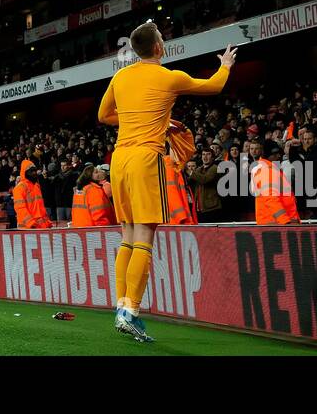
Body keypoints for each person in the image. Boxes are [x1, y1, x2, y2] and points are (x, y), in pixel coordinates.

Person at [98, 19, 236, 342]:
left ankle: (121, 306)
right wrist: (226, 65)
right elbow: (213, 86)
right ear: (159, 47)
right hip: (147, 158)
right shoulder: (168, 77)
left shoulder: (120, 77)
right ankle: (131, 311)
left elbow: (103, 116)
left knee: (127, 236)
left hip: (119, 160)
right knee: (145, 235)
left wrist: (139, 117)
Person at [252, 142, 299, 225]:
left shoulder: (270, 169)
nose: (278, 156)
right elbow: (270, 198)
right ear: (267, 155)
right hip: (276, 224)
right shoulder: (267, 171)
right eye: (274, 154)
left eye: (278, 153)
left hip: (277, 223)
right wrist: (285, 221)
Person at [12, 160, 53, 229]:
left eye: (35, 170)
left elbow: (41, 207)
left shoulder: (36, 186)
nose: (34, 173)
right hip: (28, 228)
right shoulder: (19, 188)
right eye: (31, 171)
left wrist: (47, 223)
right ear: (25, 173)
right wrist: (31, 224)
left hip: (40, 227)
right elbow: (20, 209)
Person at [189, 148, 223, 222]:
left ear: (213, 157)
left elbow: (205, 179)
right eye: (203, 154)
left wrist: (192, 173)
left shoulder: (215, 168)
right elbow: (190, 182)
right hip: (199, 208)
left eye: (208, 154)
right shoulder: (198, 169)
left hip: (212, 208)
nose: (205, 157)